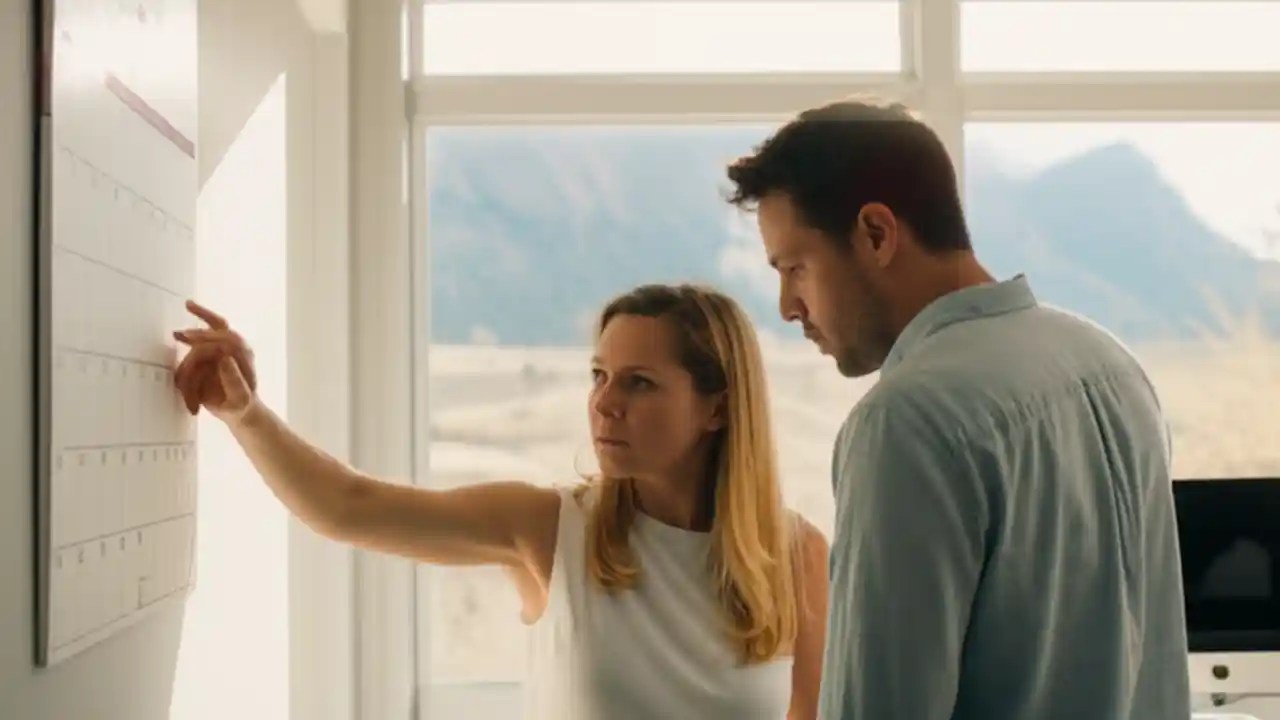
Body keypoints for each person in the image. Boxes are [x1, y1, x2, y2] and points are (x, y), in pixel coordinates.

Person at [724, 98, 1192, 719]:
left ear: (876, 234)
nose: (788, 306)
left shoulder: (908, 421)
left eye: (796, 268)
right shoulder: (1110, 363)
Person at [171, 284, 829, 719]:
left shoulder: (797, 554)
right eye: (599, 376)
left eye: (639, 383)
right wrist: (246, 413)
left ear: (717, 408)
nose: (605, 402)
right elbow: (346, 507)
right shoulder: (548, 529)